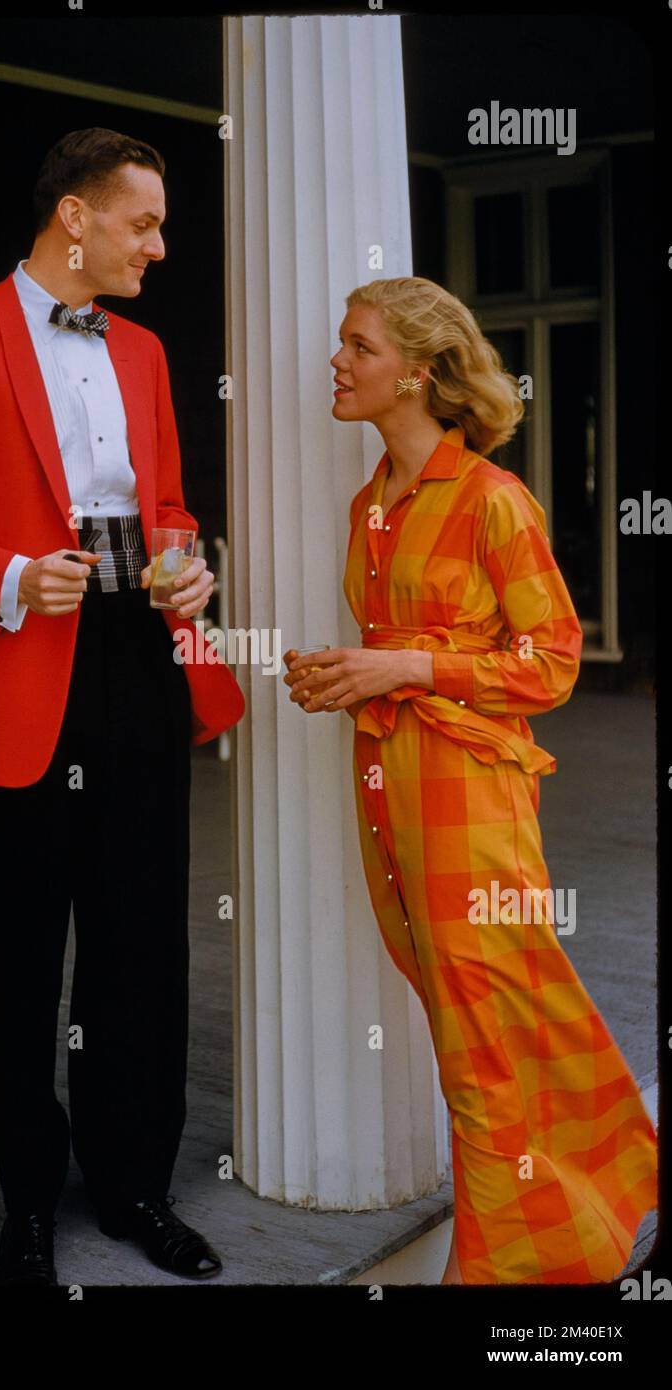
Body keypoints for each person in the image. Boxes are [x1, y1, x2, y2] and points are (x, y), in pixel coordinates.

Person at [0, 127, 244, 1286]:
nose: (159, 247)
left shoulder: (149, 352)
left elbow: (165, 503)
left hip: (140, 657)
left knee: (143, 946)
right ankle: (29, 1204)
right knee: (26, 959)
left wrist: (186, 561)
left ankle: (133, 1188)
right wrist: (14, 580)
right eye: (143, 223)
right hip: (23, 660)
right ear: (74, 217)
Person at [283, 276, 657, 1284]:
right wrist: (343, 674)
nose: (339, 361)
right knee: (471, 1016)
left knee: (488, 1021)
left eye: (359, 346)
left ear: (418, 369)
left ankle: (492, 1270)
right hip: (388, 782)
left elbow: (555, 663)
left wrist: (400, 667)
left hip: (471, 800)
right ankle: (598, 1190)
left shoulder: (494, 499)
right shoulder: (372, 504)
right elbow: (401, 646)